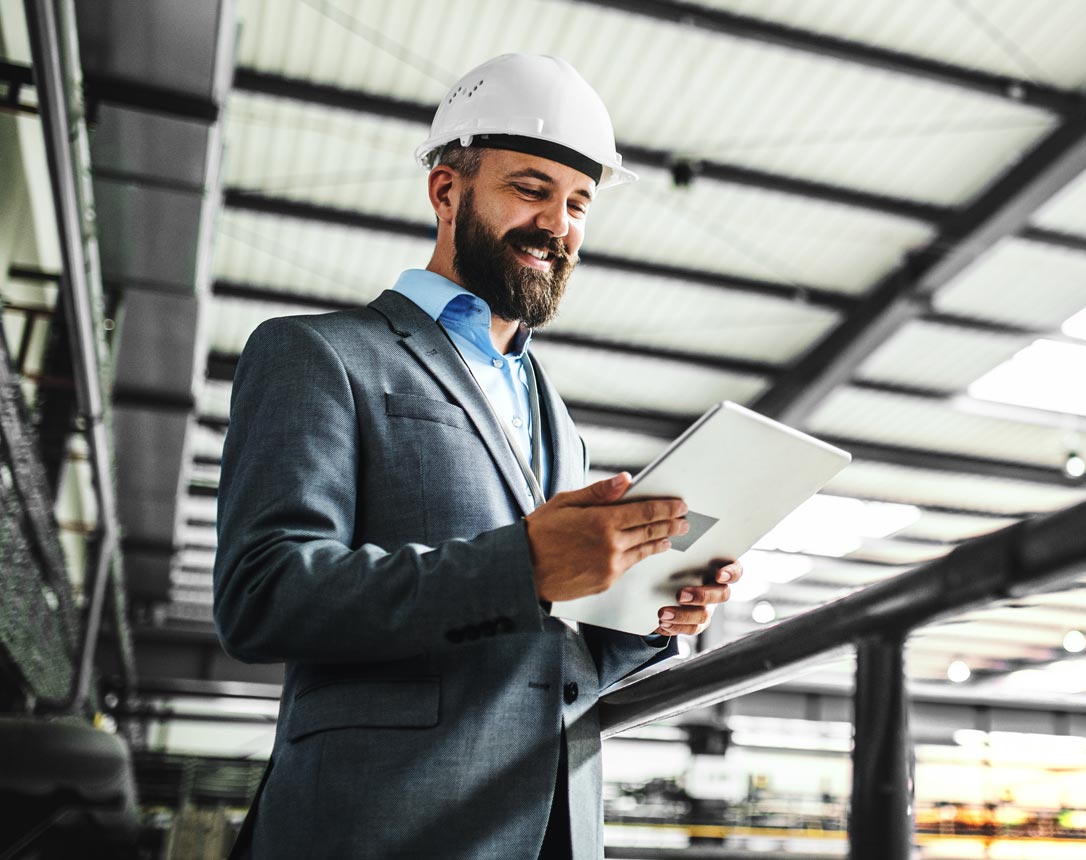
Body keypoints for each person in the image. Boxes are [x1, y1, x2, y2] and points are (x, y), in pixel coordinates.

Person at [212, 54, 741, 859]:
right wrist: (522, 566)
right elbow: (265, 593)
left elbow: (546, 656)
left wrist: (643, 616)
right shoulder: (320, 354)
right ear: (447, 191)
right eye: (530, 189)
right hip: (380, 827)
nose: (558, 223)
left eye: (578, 204)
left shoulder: (556, 417)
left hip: (546, 832)